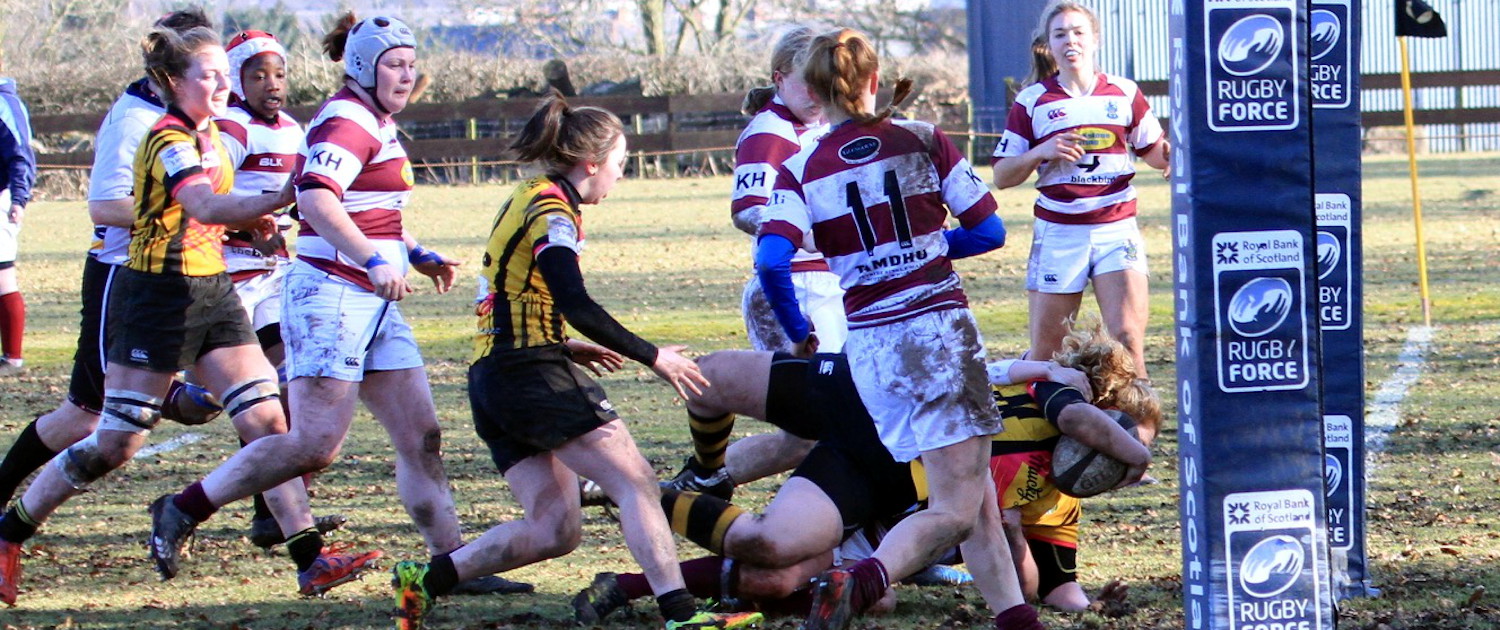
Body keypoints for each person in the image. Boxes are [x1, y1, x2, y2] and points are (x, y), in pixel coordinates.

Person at [143, 12, 528, 600]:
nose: (407, 74)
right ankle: (182, 507)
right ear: (363, 67)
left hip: (370, 299)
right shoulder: (349, 118)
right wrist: (372, 260)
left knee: (422, 436)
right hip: (332, 295)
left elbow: (371, 206)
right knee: (313, 443)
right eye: (394, 65)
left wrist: (412, 254)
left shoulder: (374, 118)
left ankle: (451, 566)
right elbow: (317, 199)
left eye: (410, 64)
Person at [0, 24, 381, 606]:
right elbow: (201, 202)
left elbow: (207, 213)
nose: (225, 85)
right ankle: (8, 535)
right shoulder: (169, 137)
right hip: (156, 296)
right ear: (175, 82)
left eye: (227, 75)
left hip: (215, 293)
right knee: (114, 442)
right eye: (211, 76)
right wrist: (285, 197)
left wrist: (251, 225)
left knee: (267, 424)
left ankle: (309, 561)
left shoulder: (209, 135)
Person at [387, 93, 758, 630]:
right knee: (636, 484)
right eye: (620, 165)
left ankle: (426, 579)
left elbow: (508, 291)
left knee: (555, 529)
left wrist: (562, 343)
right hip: (530, 375)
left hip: (494, 376)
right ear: (591, 164)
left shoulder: (528, 194)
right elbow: (575, 300)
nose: (619, 177)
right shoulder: (552, 209)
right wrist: (655, 358)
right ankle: (680, 612)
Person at [572, 326, 1155, 620]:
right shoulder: (1044, 391)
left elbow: (1045, 585)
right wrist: (1139, 457)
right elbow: (1080, 419)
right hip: (870, 407)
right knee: (724, 385)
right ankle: (689, 480)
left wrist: (1078, 597)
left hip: (889, 496)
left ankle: (627, 571)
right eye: (1123, 438)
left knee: (775, 561)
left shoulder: (1057, 493)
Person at [756, 27, 1039, 630]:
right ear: (873, 81)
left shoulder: (799, 165)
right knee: (956, 508)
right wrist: (927, 249)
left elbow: (770, 260)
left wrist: (797, 328)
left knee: (974, 494)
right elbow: (990, 231)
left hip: (871, 348)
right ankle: (858, 581)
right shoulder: (923, 139)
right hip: (937, 333)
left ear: (811, 88)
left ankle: (1017, 618)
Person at [0, 8, 226, 518]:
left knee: (237, 395)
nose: (216, 81)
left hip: (182, 273)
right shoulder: (135, 119)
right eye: (204, 69)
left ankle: (282, 528)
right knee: (86, 416)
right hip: (121, 275)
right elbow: (104, 205)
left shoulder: (198, 119)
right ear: (171, 69)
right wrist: (201, 209)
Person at [667, 25, 835, 503]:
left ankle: (700, 481)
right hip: (789, 289)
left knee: (818, 429)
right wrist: (808, 234)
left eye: (825, 80)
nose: (818, 92)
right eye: (808, 81)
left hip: (830, 286)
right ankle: (839, 535)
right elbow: (748, 209)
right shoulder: (770, 131)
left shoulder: (821, 126)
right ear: (780, 78)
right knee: (818, 425)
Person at [990, 1, 1170, 380]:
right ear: (1048, 45)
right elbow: (1003, 175)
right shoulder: (1033, 101)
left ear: (1095, 40)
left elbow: (1155, 153)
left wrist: (1177, 157)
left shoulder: (1123, 92)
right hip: (1060, 233)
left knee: (1128, 340)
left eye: (1078, 32)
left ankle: (1136, 434)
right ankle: (1056, 432)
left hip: (1116, 229)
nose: (1070, 40)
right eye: (1060, 34)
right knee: (1049, 353)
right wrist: (1042, 151)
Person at [0, 69, 34, 375]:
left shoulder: (5, 103)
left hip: (1, 197)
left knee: (3, 278)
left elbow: (21, 155)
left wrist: (19, 199)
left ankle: (12, 358)